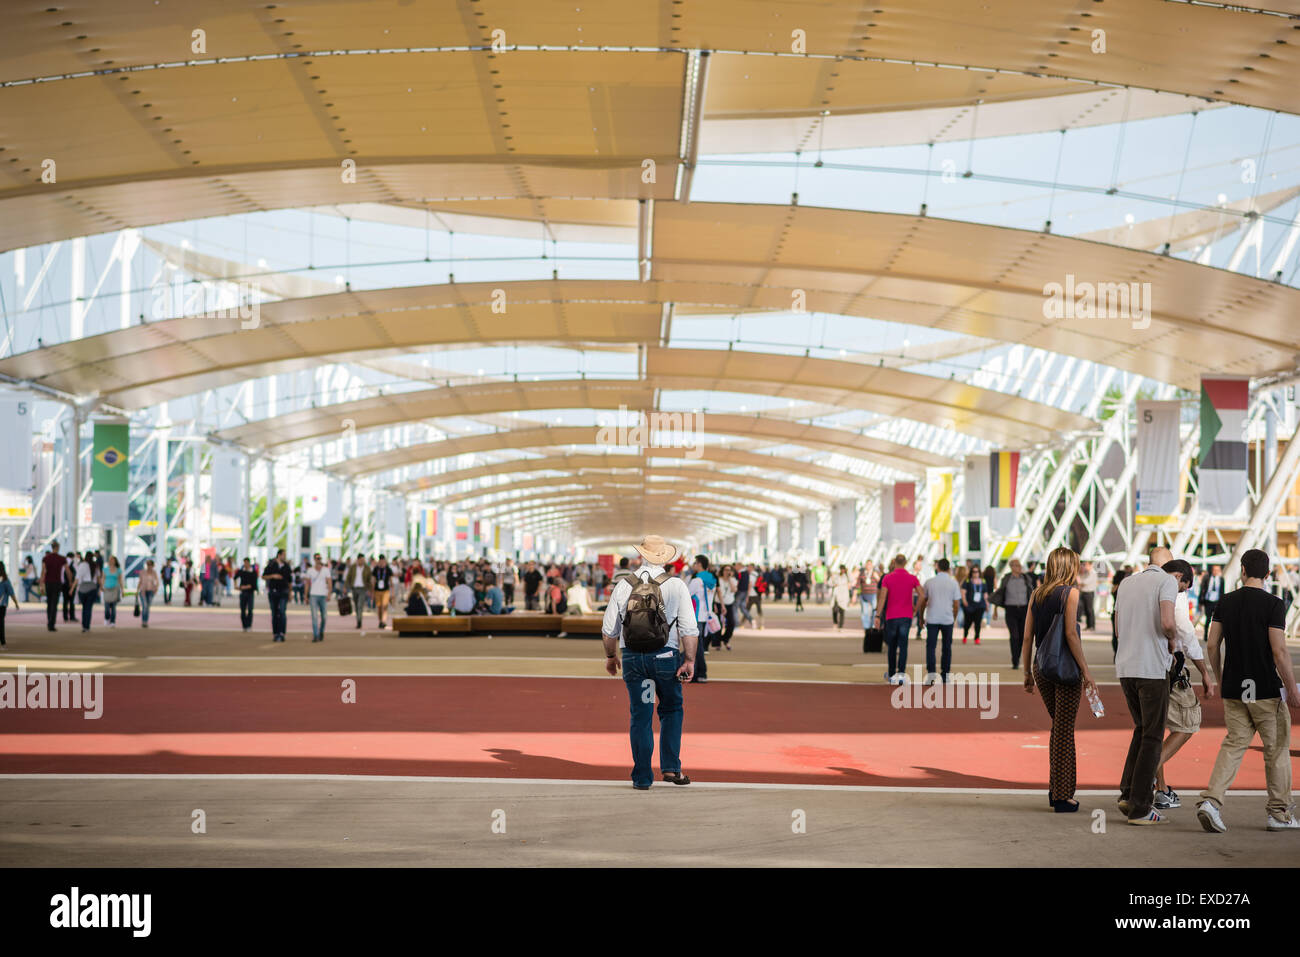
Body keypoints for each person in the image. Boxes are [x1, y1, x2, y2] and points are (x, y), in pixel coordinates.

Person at [1196, 548, 1300, 833]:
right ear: (1268, 575)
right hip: (1265, 688)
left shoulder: (1225, 602)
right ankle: (1279, 813)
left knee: (1233, 744)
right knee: (1276, 750)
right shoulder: (1274, 604)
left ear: (1242, 570)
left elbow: (1212, 644)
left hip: (1235, 688)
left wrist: (1219, 676)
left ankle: (1212, 802)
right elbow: (1279, 651)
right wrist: (1291, 688)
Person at [601, 534, 698, 790]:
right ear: (665, 559)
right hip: (666, 657)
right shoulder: (676, 585)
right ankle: (670, 768)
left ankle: (642, 777)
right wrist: (689, 660)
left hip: (633, 658)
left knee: (641, 716)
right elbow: (689, 628)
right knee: (671, 709)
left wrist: (611, 657)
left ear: (641, 555)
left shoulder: (624, 585)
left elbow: (609, 629)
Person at [1022, 547, 1098, 813]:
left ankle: (1056, 789)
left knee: (1059, 728)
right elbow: (1071, 634)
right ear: (1070, 567)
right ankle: (1063, 795)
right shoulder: (1071, 593)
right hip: (1065, 668)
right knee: (1064, 731)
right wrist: (1086, 671)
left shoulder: (1037, 594)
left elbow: (1027, 636)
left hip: (1041, 667)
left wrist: (1026, 672)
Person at [1113, 547, 1178, 825]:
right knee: (1153, 736)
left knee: (1141, 731)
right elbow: (1166, 621)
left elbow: (1117, 628)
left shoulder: (1127, 583)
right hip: (1151, 668)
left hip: (1126, 667)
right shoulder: (1167, 581)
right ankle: (1140, 807)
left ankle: (1128, 794)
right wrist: (1172, 640)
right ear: (1168, 564)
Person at [1153, 559, 1216, 810]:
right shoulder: (1169, 591)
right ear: (1178, 576)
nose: (1181, 592)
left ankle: (1160, 788)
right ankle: (1147, 776)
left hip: (1141, 668)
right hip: (1170, 667)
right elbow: (1184, 632)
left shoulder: (1136, 585)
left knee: (1153, 731)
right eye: (1183, 587)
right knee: (1188, 723)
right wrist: (1206, 674)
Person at [875, 554, 922, 683]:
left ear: (894, 562)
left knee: (892, 646)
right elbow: (922, 594)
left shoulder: (887, 578)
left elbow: (882, 597)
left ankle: (891, 674)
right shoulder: (912, 578)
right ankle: (901, 674)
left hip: (891, 616)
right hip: (906, 616)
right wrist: (915, 608)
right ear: (906, 563)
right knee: (903, 646)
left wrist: (878, 615)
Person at [916, 558, 961, 684]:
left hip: (932, 618)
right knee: (947, 648)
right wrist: (954, 617)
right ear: (948, 568)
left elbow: (923, 602)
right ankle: (945, 674)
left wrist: (921, 618)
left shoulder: (930, 582)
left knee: (931, 647)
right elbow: (956, 603)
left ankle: (931, 675)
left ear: (938, 567)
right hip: (947, 619)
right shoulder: (953, 583)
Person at [687, 555, 715, 683]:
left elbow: (687, 595)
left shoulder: (697, 581)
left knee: (694, 646)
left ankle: (700, 672)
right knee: (698, 644)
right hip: (705, 615)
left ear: (699, 564)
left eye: (695, 563)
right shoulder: (712, 580)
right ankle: (698, 672)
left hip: (695, 615)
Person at [1000, 559, 1031, 668]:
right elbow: (1000, 593)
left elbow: (1031, 593)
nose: (1019, 567)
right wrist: (995, 610)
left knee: (1022, 636)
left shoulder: (1026, 578)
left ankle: (1017, 656)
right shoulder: (1006, 579)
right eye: (1017, 565)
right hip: (1010, 610)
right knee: (1014, 635)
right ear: (1011, 567)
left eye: (1020, 565)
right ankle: (1015, 660)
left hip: (1024, 610)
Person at [262, 548, 292, 642]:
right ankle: (276, 633)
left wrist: (290, 593)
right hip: (273, 592)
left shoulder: (287, 566)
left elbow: (289, 581)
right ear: (279, 555)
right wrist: (273, 576)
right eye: (284, 555)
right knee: (274, 613)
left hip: (284, 592)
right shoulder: (271, 565)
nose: (285, 557)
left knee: (282, 612)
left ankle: (282, 633)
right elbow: (263, 576)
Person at [41, 541, 67, 632]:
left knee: (49, 602)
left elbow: (43, 571)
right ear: (58, 547)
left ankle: (49, 621)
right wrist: (71, 580)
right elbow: (67, 571)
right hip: (57, 583)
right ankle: (52, 623)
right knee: (54, 604)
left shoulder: (46, 558)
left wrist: (41, 583)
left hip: (48, 582)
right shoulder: (62, 559)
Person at [305, 553, 331, 642]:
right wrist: (306, 596)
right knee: (314, 616)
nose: (319, 560)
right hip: (313, 595)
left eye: (320, 558)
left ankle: (321, 631)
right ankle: (315, 635)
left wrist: (329, 593)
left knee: (324, 616)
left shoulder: (326, 570)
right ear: (314, 559)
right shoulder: (310, 570)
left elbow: (329, 582)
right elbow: (307, 584)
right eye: (317, 558)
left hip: (323, 595)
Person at [1197, 565, 1224, 642]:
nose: (1216, 572)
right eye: (1215, 570)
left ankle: (1216, 637)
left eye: (1217, 570)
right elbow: (1202, 589)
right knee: (1208, 618)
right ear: (1212, 570)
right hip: (1208, 601)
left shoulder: (1221, 579)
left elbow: (1222, 591)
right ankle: (1205, 636)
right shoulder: (1207, 578)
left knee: (1217, 620)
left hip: (1217, 601)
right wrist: (1200, 602)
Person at [961, 566, 987, 644]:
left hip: (980, 605)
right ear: (971, 573)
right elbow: (963, 592)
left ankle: (977, 638)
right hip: (969, 605)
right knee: (967, 622)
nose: (975, 573)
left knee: (978, 622)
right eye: (974, 572)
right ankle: (965, 636)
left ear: (979, 573)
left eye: (977, 572)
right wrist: (964, 601)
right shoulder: (967, 581)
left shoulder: (983, 581)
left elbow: (985, 593)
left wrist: (987, 604)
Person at [74, 551, 98, 633]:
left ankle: (84, 626)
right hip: (92, 588)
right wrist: (101, 588)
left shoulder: (82, 565)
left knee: (84, 608)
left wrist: (72, 588)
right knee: (89, 608)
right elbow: (98, 578)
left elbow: (78, 578)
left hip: (83, 588)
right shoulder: (95, 565)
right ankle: (87, 626)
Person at [346, 554, 371, 628]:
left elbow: (369, 579)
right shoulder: (353, 567)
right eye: (361, 560)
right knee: (356, 605)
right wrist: (345, 587)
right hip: (354, 588)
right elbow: (348, 577)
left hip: (363, 588)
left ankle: (359, 621)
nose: (362, 561)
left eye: (363, 560)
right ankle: (358, 619)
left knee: (360, 605)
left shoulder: (367, 568)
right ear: (358, 560)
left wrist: (369, 589)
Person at [235, 558, 258, 632]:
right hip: (243, 592)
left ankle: (249, 625)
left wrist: (246, 586)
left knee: (250, 610)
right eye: (244, 563)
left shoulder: (253, 572)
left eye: (247, 563)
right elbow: (235, 577)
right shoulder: (241, 571)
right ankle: (244, 625)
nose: (245, 564)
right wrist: (236, 586)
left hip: (250, 593)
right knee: (243, 610)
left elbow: (254, 585)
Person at [137, 559, 160, 628]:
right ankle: (143, 621)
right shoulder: (142, 572)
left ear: (152, 566)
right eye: (148, 564)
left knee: (148, 607)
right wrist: (137, 590)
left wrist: (156, 588)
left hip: (151, 591)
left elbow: (157, 581)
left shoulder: (154, 573)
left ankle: (146, 621)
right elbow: (140, 581)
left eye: (150, 565)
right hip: (143, 591)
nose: (149, 566)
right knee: (145, 606)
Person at [1076, 560, 1098, 632]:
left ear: (1090, 565)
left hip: (1089, 593)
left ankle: (1092, 626)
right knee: (1086, 609)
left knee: (1089, 609)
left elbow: (1084, 582)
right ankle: (1088, 625)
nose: (1084, 566)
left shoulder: (1092, 573)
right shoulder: (1086, 573)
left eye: (1086, 565)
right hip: (1084, 592)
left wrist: (1079, 580)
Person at [101, 556, 122, 627]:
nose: (111, 561)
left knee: (113, 607)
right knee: (106, 607)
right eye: (110, 560)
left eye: (112, 560)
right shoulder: (105, 569)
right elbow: (103, 578)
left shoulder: (118, 570)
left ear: (115, 561)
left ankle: (113, 621)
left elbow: (120, 580)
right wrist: (101, 586)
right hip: (107, 589)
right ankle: (107, 618)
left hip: (115, 589)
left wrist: (122, 590)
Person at [829, 565, 851, 631]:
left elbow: (851, 582)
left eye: (843, 569)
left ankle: (840, 625)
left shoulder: (847, 576)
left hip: (844, 595)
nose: (842, 570)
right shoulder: (836, 576)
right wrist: (833, 583)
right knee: (835, 610)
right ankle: (835, 623)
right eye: (841, 569)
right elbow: (830, 582)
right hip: (836, 594)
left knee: (842, 610)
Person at [0, 562, 16, 646]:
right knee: (1, 622)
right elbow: (11, 593)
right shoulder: (5, 580)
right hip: (2, 605)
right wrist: (16, 603)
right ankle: (2, 641)